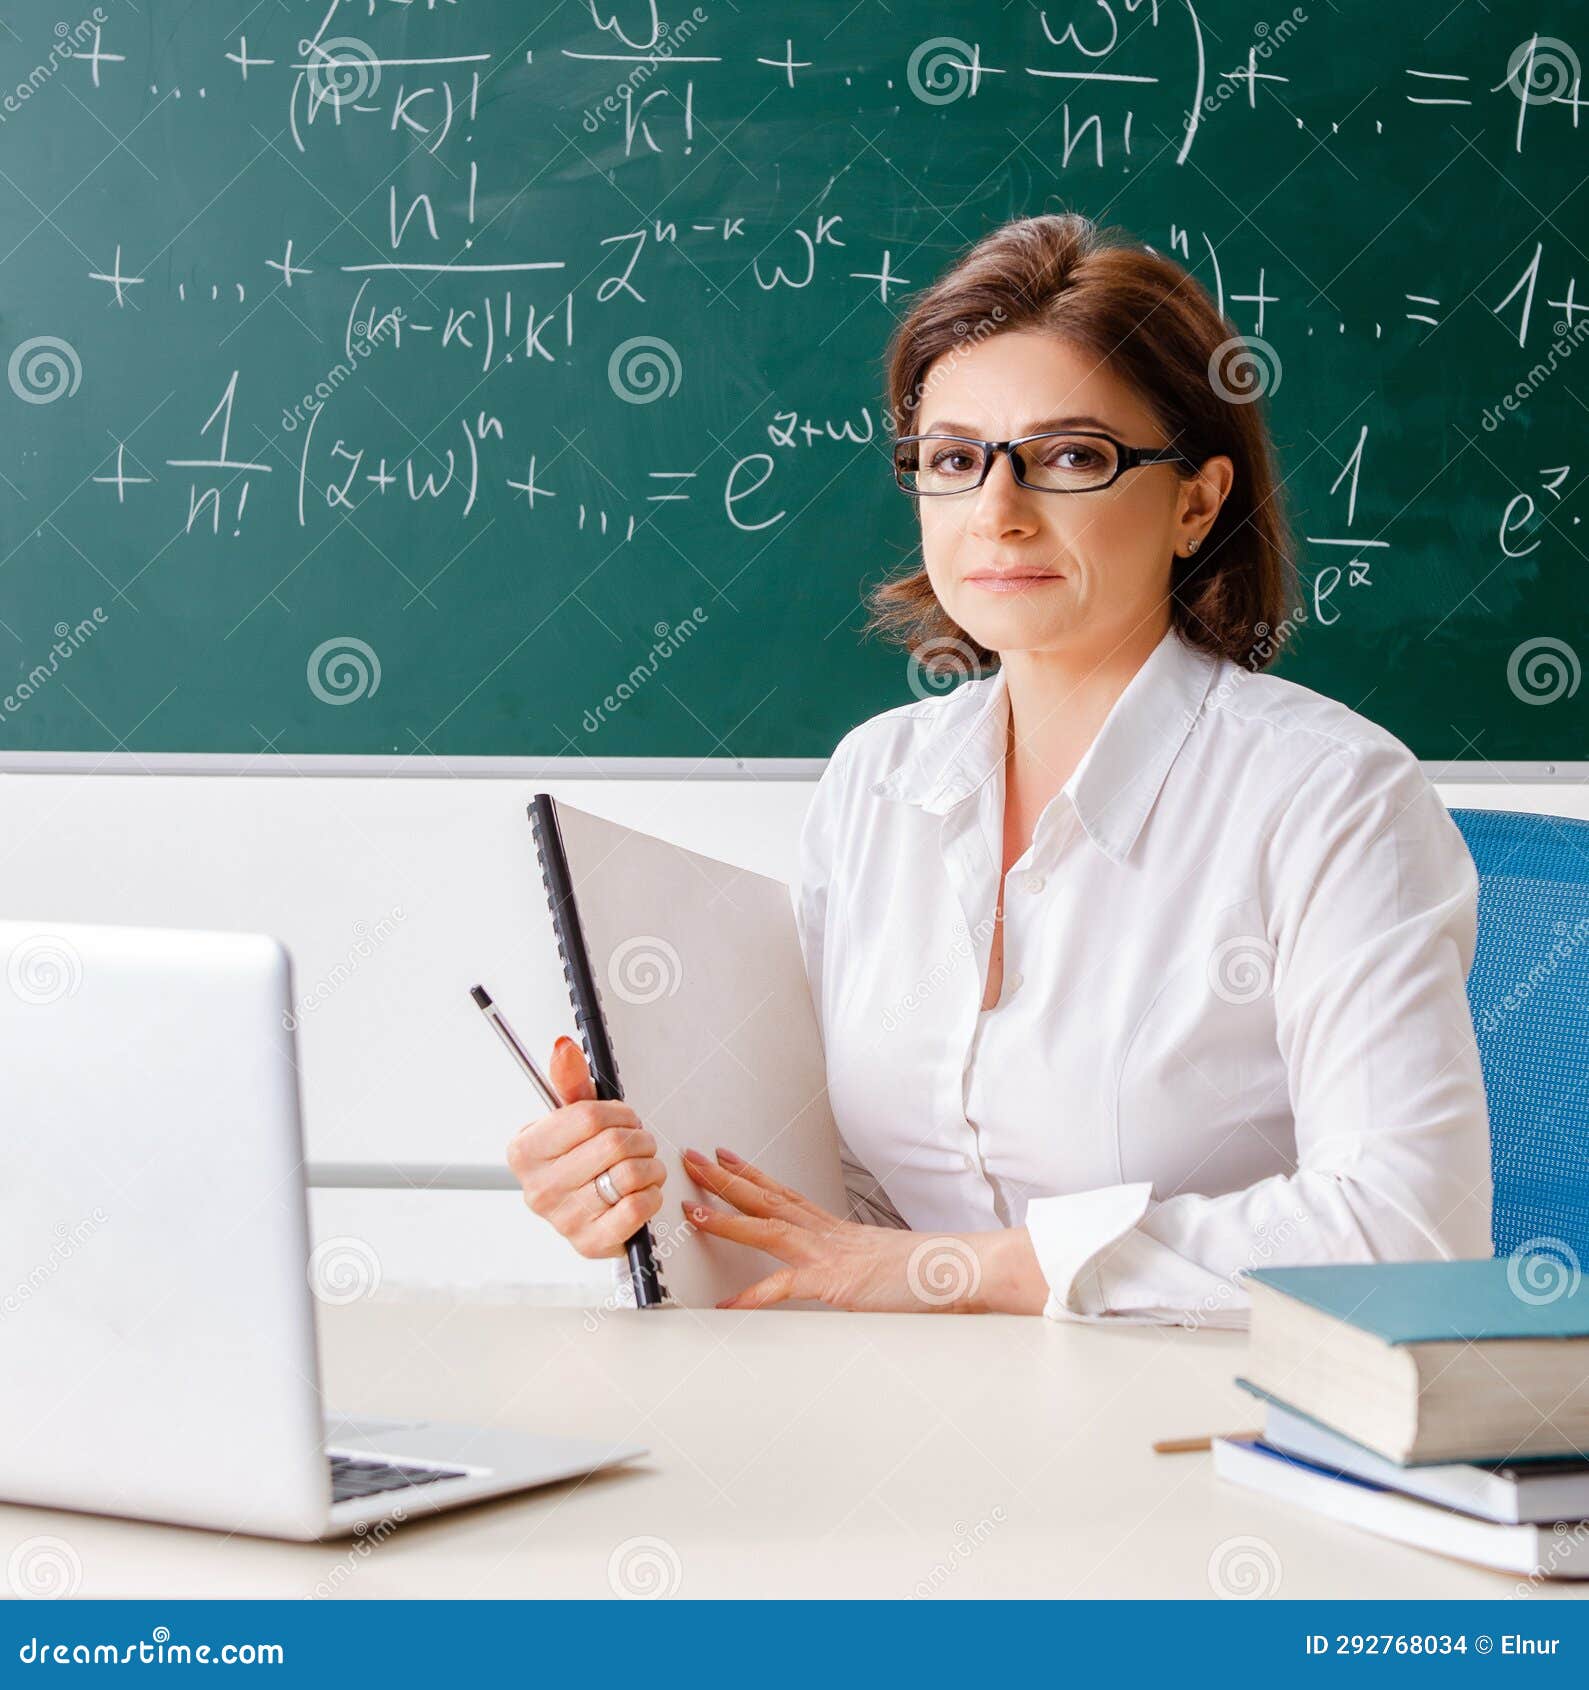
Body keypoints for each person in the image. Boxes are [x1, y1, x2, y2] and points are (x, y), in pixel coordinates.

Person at [505, 212, 1493, 1323]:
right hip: (909, 1407)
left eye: (1070, 456)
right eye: (953, 459)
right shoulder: (876, 780)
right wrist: (644, 1191)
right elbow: (850, 1219)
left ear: (1196, 501)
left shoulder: (1330, 794)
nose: (996, 513)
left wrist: (977, 1270)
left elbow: (1412, 1230)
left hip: (1206, 1410)